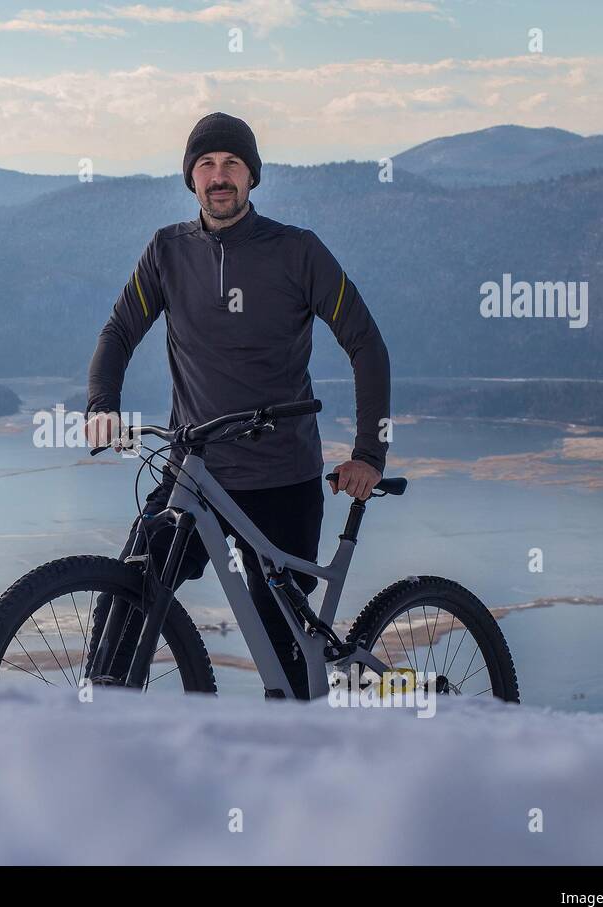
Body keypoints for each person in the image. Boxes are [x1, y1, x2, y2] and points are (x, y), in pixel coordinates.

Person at [84, 112, 391, 698]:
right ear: (190, 179)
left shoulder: (298, 252)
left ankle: (301, 760)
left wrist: (369, 453)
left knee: (286, 657)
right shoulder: (166, 252)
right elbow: (118, 332)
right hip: (193, 473)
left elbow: (365, 342)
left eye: (231, 165)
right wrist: (103, 404)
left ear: (252, 177)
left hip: (282, 478)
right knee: (127, 600)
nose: (218, 176)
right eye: (206, 165)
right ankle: (102, 724)